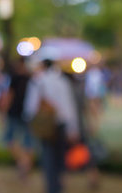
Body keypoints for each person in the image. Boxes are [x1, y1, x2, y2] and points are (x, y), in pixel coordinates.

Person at [25, 58, 79, 193]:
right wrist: (74, 129)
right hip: (61, 124)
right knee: (60, 156)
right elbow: (69, 107)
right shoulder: (63, 81)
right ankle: (58, 184)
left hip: (46, 125)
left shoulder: (38, 81)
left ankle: (51, 186)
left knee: (48, 156)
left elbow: (30, 107)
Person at [2, 58, 33, 178]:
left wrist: (4, 111)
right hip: (27, 114)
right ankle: (25, 163)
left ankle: (23, 162)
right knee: (28, 142)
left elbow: (9, 95)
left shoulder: (15, 79)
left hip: (15, 113)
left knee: (9, 139)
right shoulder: (31, 79)